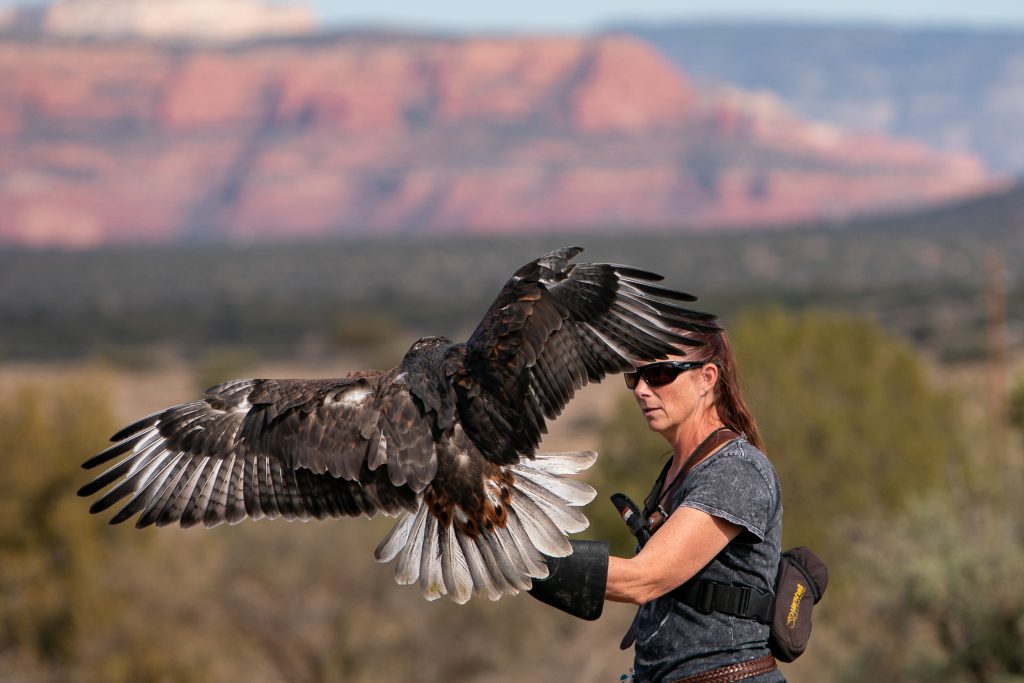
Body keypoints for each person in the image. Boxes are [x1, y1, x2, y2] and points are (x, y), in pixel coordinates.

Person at [530, 329, 785, 683]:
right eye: (634, 376)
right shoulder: (680, 469)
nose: (641, 389)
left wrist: (517, 559)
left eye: (660, 374)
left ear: (706, 379)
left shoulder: (736, 469)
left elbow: (643, 578)